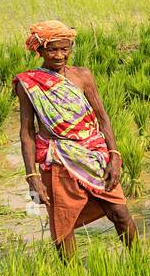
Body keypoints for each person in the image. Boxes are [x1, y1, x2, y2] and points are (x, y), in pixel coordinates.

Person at [15, 20, 137, 258]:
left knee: (120, 214)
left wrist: (114, 156)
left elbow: (103, 119)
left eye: (64, 49)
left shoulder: (83, 76)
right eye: (52, 49)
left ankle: (139, 264)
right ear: (39, 51)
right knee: (64, 226)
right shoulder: (29, 84)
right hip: (58, 159)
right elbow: (27, 132)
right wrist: (32, 177)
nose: (59, 55)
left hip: (94, 156)